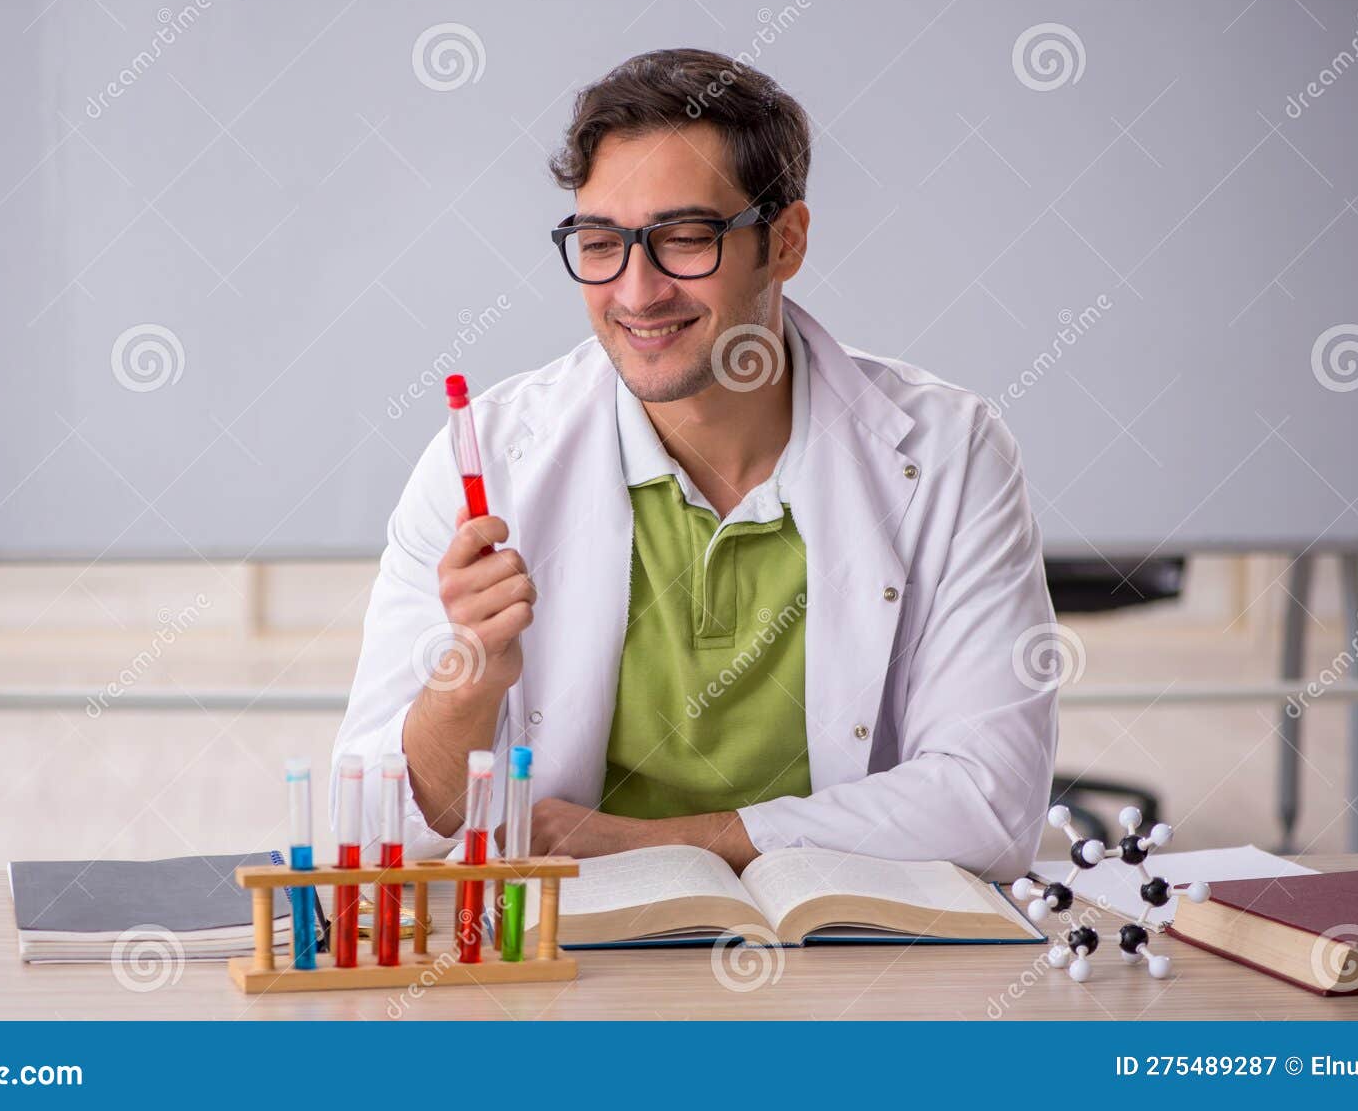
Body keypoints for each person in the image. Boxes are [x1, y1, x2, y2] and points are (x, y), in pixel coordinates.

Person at [332, 48, 1057, 880]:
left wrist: (653, 843)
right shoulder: (487, 460)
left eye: (684, 240)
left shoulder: (949, 453)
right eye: (601, 243)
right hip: (571, 971)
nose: (637, 293)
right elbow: (375, 819)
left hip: (849, 959)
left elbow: (990, 807)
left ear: (785, 242)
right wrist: (466, 685)